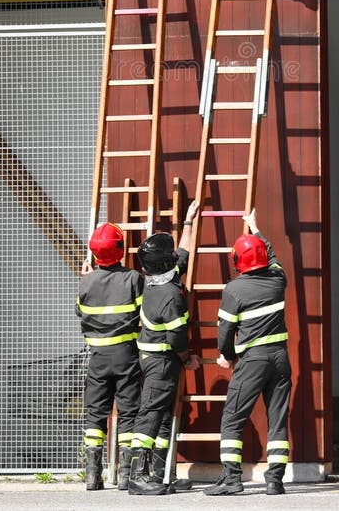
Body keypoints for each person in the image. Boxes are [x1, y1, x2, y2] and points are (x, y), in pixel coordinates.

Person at [204, 208, 292, 496]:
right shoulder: (278, 280)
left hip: (252, 360)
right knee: (277, 417)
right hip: (280, 358)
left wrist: (226, 355)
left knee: (233, 416)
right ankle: (275, 480)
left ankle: (231, 478)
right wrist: (256, 227)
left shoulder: (234, 290)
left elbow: (225, 331)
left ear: (237, 261)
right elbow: (273, 256)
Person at [128, 200, 201, 495]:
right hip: (161, 361)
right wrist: (187, 359)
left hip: (159, 360)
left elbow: (181, 254)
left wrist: (188, 221)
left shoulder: (160, 281)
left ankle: (157, 474)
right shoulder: (171, 296)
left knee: (160, 414)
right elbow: (178, 338)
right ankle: (137, 477)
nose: (175, 257)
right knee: (150, 413)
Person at [76, 222, 143, 491]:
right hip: (126, 355)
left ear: (94, 253)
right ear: (121, 249)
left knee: (96, 414)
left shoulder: (86, 282)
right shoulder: (133, 279)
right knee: (128, 412)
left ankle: (93, 475)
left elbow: (81, 313)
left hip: (98, 357)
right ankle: (125, 474)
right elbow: (144, 315)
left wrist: (88, 279)